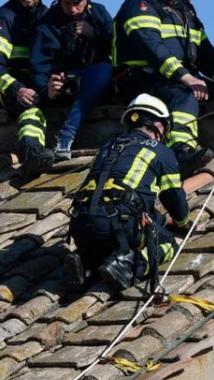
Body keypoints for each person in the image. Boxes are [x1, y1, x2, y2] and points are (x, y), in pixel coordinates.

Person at [67, 94, 190, 291]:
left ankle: (85, 261)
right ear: (158, 124)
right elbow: (173, 198)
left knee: (106, 241)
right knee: (168, 245)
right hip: (120, 225)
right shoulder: (161, 151)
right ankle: (128, 266)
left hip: (80, 223)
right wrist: (183, 222)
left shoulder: (106, 148)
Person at [112, 0, 214, 178]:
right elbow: (151, 47)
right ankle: (181, 151)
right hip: (138, 79)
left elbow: (206, 55)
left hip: (173, 78)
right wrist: (184, 76)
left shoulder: (185, 10)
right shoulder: (139, 3)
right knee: (184, 95)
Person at [30, 0, 114, 161]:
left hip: (100, 84)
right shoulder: (46, 25)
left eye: (79, 2)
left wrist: (94, 33)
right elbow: (38, 68)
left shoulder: (99, 14)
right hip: (66, 91)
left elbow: (118, 44)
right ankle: (65, 135)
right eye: (68, 3)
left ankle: (67, 132)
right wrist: (47, 89)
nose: (74, 9)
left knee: (104, 69)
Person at [0, 0, 51, 177]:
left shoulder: (48, 17)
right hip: (7, 89)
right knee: (31, 109)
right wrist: (17, 90)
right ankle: (32, 153)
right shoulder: (3, 19)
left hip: (39, 85)